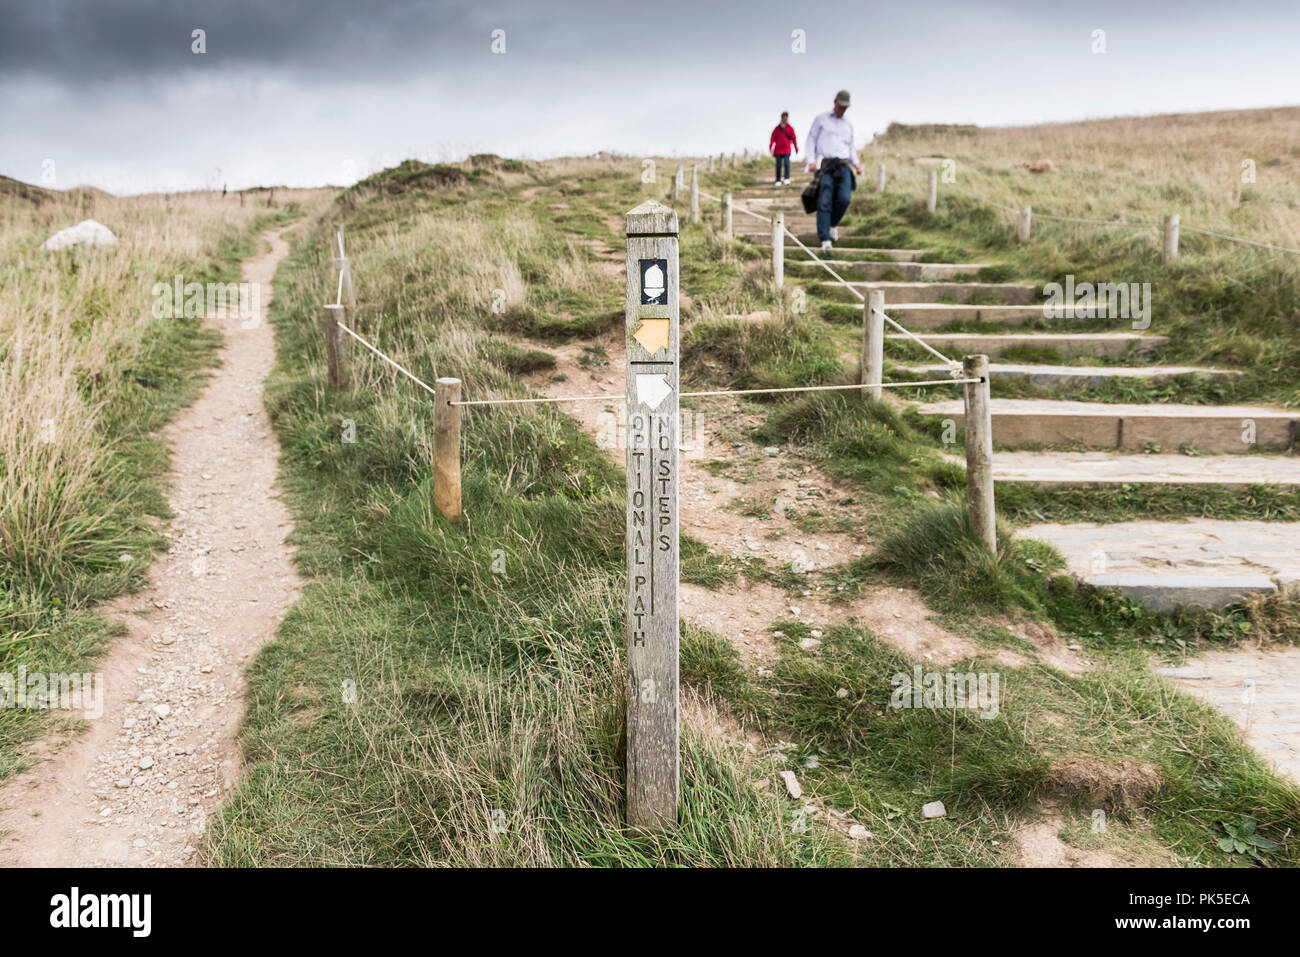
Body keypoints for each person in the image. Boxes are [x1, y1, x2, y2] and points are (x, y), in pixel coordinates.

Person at [805, 90, 865, 249]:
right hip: (826, 165)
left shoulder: (848, 125)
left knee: (844, 198)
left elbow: (851, 146)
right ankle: (825, 238)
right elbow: (811, 140)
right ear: (835, 103)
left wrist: (856, 163)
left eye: (845, 107)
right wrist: (811, 161)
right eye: (841, 106)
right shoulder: (821, 119)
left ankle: (832, 225)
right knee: (824, 200)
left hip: (844, 165)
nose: (842, 109)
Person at [769, 111, 797, 186]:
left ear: (787, 118)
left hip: (787, 149)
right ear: (781, 118)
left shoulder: (790, 128)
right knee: (778, 165)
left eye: (786, 117)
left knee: (786, 164)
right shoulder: (777, 128)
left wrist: (796, 148)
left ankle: (786, 179)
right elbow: (772, 138)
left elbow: (794, 138)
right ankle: (778, 180)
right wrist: (770, 147)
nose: (785, 118)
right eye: (783, 117)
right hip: (778, 150)